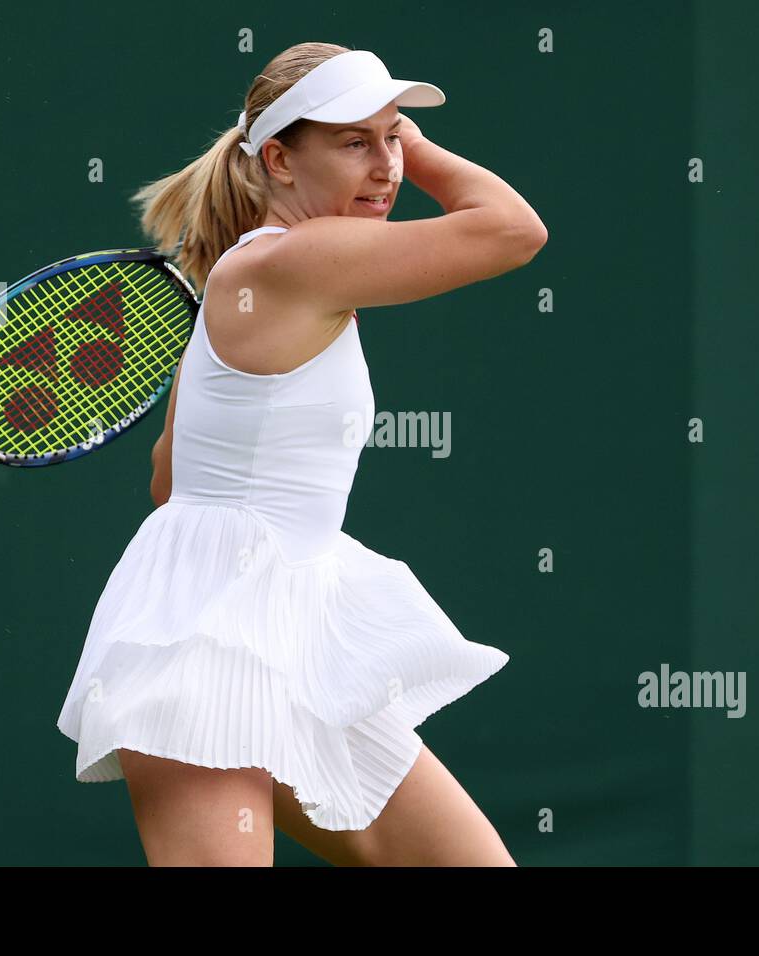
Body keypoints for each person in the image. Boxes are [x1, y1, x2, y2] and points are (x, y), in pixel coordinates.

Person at [55, 42, 547, 867]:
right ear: (278, 160)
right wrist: (418, 150)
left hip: (296, 634)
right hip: (202, 648)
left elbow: (168, 481)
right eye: (356, 142)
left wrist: (379, 140)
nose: (385, 165)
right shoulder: (293, 263)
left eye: (393, 139)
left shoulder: (253, 277)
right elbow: (512, 231)